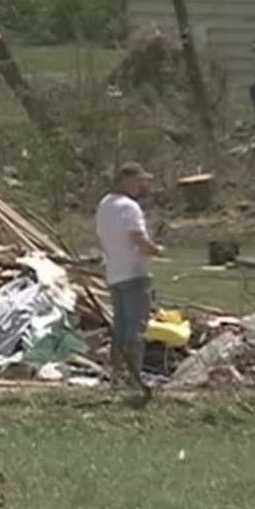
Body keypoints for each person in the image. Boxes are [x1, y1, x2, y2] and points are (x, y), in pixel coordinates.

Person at [95, 162, 163, 388]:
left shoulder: (104, 204)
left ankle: (117, 375)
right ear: (126, 180)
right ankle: (134, 379)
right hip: (134, 274)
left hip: (114, 274)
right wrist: (156, 250)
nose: (142, 185)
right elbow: (138, 240)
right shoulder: (129, 207)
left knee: (120, 328)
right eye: (139, 180)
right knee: (136, 329)